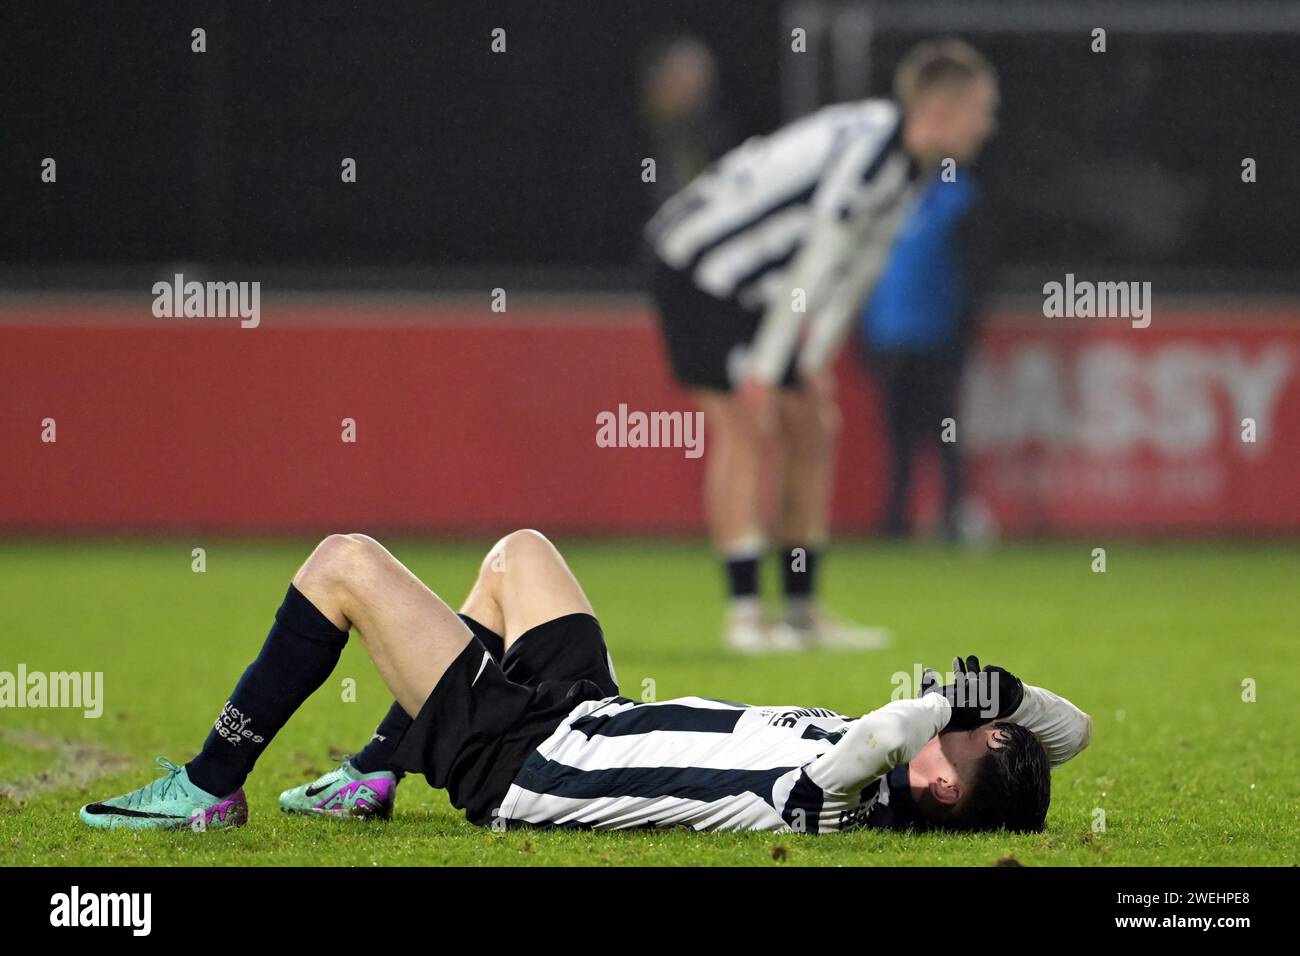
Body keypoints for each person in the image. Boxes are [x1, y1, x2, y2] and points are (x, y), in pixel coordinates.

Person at [80, 529, 1091, 834]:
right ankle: (377, 771)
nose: (959, 719)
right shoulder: (915, 767)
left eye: (963, 739)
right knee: (518, 555)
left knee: (342, 561)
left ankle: (212, 782)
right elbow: (1073, 729)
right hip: (587, 714)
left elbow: (885, 728)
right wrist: (1009, 701)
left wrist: (958, 700)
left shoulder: (845, 801)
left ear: (943, 784)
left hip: (528, 761)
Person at [644, 39, 999, 652]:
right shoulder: (872, 153)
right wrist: (767, 366)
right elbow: (822, 255)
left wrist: (809, 361)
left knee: (813, 424)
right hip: (698, 266)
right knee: (743, 425)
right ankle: (746, 617)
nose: (987, 125)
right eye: (980, 109)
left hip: (759, 287)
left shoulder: (911, 164)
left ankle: (803, 611)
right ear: (943, 108)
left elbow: (863, 264)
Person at [860, 168, 994, 540]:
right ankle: (896, 519)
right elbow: (865, 272)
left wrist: (963, 332)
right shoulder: (885, 196)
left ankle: (952, 513)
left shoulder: (957, 196)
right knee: (897, 434)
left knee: (944, 429)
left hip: (937, 337)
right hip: (889, 337)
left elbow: (975, 271)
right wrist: (866, 337)